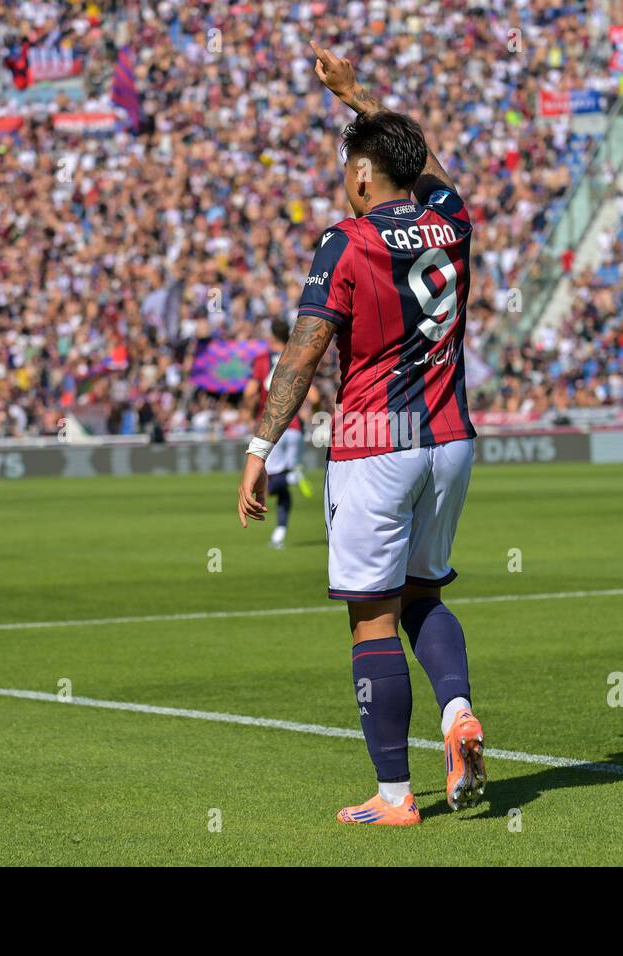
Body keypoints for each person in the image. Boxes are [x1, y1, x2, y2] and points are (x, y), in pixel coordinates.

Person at [236, 40, 483, 826]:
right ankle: (457, 716)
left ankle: (395, 794)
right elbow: (428, 166)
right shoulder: (451, 221)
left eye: (352, 164)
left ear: (365, 175)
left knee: (371, 617)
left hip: (377, 442)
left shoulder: (346, 240)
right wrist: (357, 98)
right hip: (450, 438)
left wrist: (258, 448)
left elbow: (304, 352)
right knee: (424, 593)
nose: (347, 176)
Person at [243, 319, 315, 549]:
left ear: (272, 337)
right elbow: (313, 397)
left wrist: (251, 409)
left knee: (272, 483)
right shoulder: (296, 357)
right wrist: (307, 413)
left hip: (272, 429)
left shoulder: (263, 360)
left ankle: (293, 476)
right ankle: (280, 532)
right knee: (282, 488)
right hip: (295, 430)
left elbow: (250, 391)